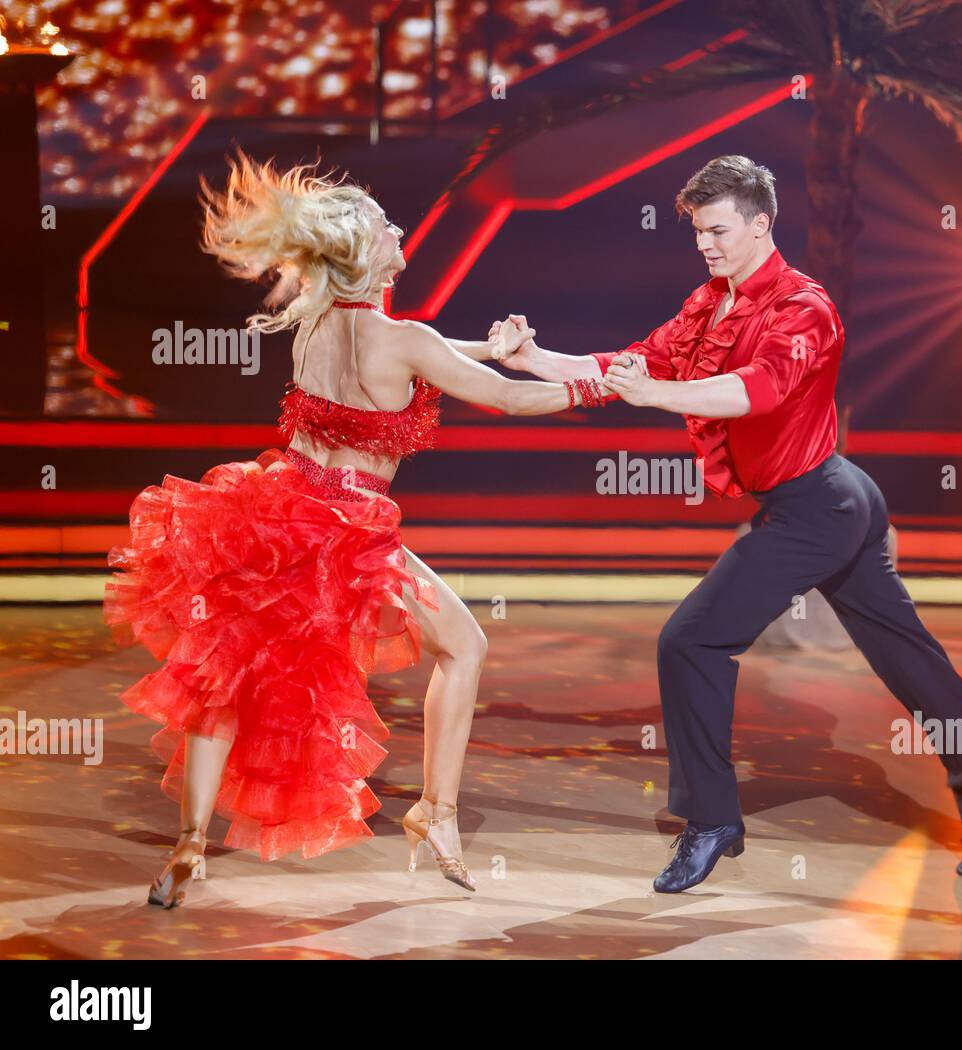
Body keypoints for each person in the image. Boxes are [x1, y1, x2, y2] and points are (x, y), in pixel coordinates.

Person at [490, 155, 962, 893]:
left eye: (717, 230)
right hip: (834, 496)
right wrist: (535, 358)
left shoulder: (804, 307)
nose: (705, 244)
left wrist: (656, 394)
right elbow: (631, 363)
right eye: (698, 232)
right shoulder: (708, 302)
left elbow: (758, 391)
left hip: (820, 507)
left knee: (690, 640)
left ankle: (713, 822)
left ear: (760, 224)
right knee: (915, 666)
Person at [104, 150, 609, 907]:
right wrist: (597, 384)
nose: (397, 227)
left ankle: (190, 846)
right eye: (383, 224)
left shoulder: (314, 328)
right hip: (350, 535)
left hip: (276, 513)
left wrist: (484, 347)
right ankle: (436, 815)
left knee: (224, 675)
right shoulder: (404, 340)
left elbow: (423, 358)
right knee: (464, 645)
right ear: (362, 252)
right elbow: (505, 399)